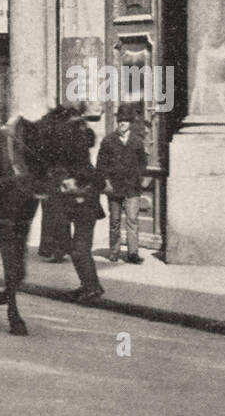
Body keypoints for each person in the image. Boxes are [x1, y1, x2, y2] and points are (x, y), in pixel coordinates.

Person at [35, 99, 104, 303]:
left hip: (85, 203)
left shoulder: (79, 164)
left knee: (79, 249)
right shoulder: (75, 160)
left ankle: (92, 288)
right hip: (80, 203)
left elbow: (90, 180)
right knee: (76, 248)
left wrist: (74, 186)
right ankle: (88, 286)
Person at [96, 103, 147, 264]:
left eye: (125, 121)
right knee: (115, 221)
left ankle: (133, 253)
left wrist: (138, 178)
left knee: (132, 220)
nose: (122, 123)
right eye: (120, 120)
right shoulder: (108, 141)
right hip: (114, 187)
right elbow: (100, 165)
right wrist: (106, 182)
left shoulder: (137, 141)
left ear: (130, 122)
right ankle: (114, 251)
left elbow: (142, 163)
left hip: (132, 188)